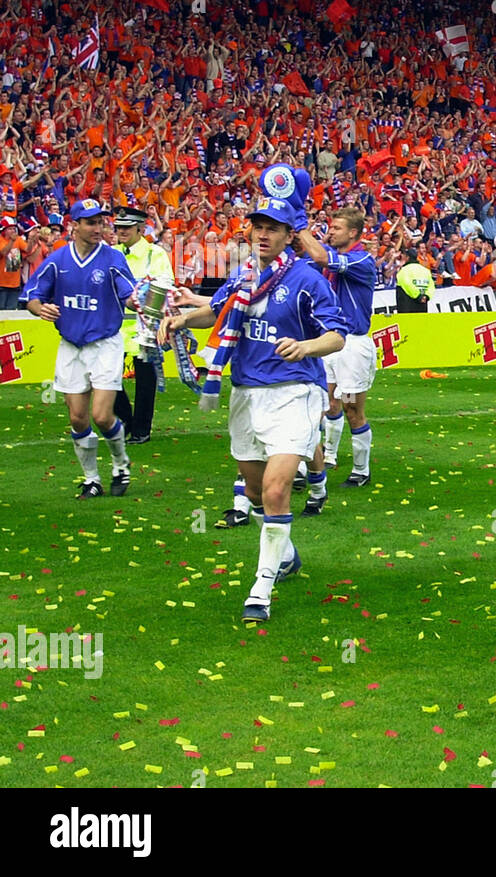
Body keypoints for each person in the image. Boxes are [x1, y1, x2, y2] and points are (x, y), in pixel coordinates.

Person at [157, 196, 346, 623]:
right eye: (258, 226)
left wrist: (305, 347)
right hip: (246, 393)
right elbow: (215, 312)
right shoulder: (242, 276)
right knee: (258, 492)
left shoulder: (307, 280)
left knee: (278, 490)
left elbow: (336, 336)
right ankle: (287, 554)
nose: (263, 234)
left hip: (295, 392)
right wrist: (183, 320)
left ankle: (261, 588)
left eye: (273, 228)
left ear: (287, 236)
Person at [20, 199, 138, 498]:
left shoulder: (112, 259)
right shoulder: (58, 260)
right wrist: (39, 308)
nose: (98, 228)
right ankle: (91, 479)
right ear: (75, 225)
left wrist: (138, 301)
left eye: (100, 222)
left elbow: (128, 293)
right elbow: (33, 295)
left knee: (101, 415)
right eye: (90, 222)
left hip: (105, 344)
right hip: (71, 345)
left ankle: (120, 465)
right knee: (77, 418)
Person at [296, 206, 378, 489]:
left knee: (353, 409)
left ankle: (361, 470)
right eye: (330, 227)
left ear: (353, 233)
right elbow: (304, 261)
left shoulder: (361, 259)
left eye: (337, 228)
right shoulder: (330, 258)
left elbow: (320, 256)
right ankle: (328, 456)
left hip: (352, 343)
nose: (330, 231)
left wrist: (300, 227)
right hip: (326, 341)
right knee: (327, 405)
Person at [111, 206, 175, 445]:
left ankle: (141, 430)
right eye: (119, 227)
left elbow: (164, 285)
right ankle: (127, 419)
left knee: (145, 382)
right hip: (115, 326)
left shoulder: (154, 254)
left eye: (127, 227)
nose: (122, 231)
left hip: (144, 326)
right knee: (108, 377)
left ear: (140, 228)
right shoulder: (112, 252)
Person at [395, 248, 432, 312]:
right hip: (423, 304)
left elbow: (407, 284)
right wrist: (426, 296)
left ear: (407, 257)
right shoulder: (426, 270)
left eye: (403, 256)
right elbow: (431, 286)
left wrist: (418, 296)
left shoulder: (404, 270)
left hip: (407, 306)